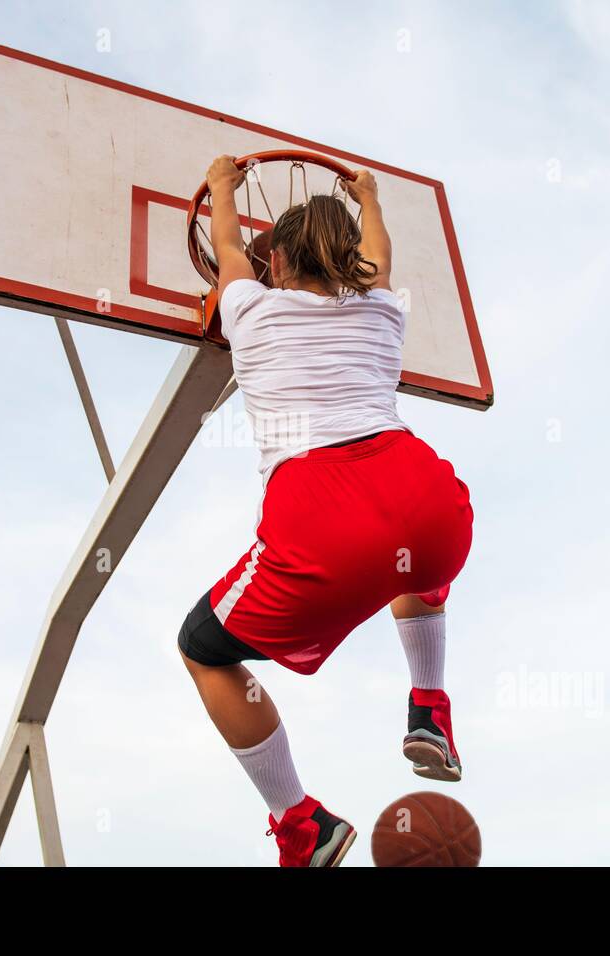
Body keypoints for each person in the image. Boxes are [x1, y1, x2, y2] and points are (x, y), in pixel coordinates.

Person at [177, 156, 475, 867]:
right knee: (416, 562)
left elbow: (225, 247)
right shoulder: (381, 312)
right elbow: (381, 255)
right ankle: (429, 704)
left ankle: (300, 821)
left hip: (322, 513)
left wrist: (221, 188)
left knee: (201, 648)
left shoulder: (247, 305)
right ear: (351, 259)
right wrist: (368, 195)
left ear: (270, 261)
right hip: (427, 495)